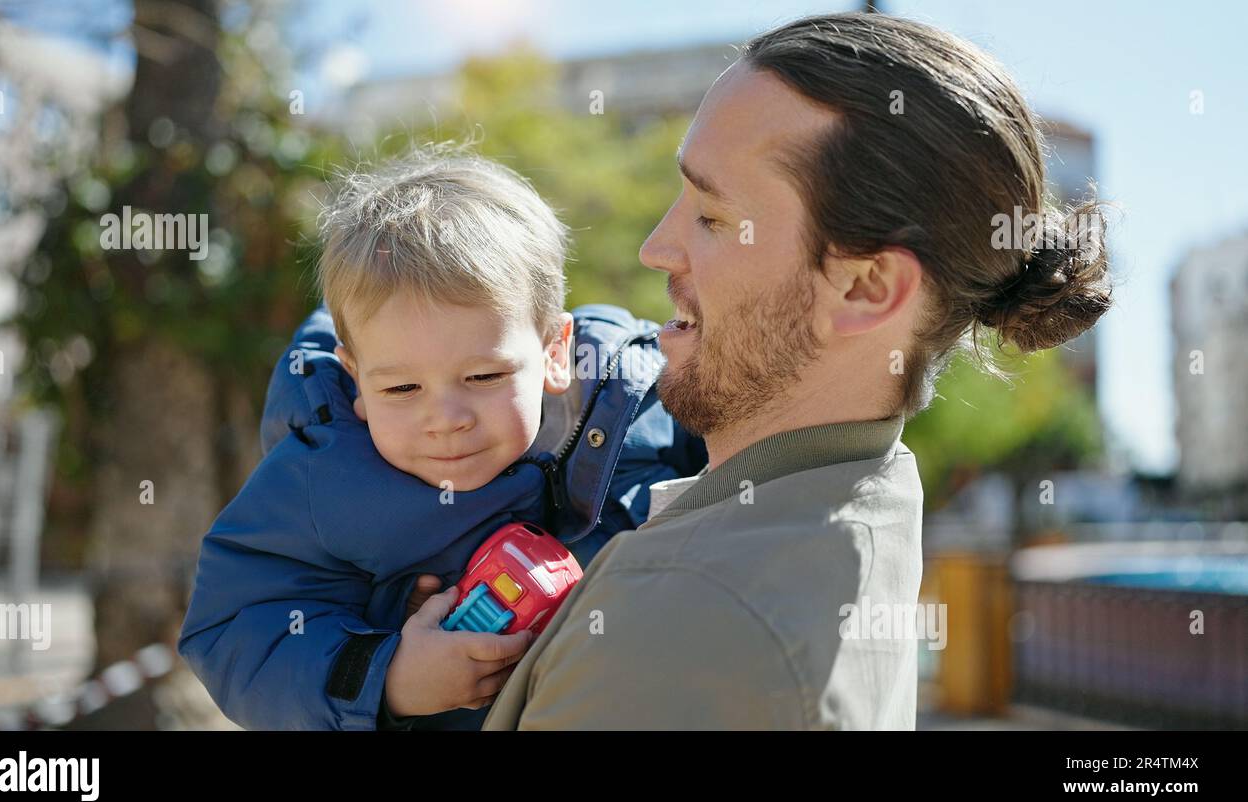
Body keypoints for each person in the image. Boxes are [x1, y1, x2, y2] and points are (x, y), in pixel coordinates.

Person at [482, 12, 1113, 730]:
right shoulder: (873, 491)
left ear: (867, 288)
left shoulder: (682, 624)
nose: (656, 249)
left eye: (713, 217)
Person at [177, 149, 705, 730]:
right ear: (356, 379)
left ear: (555, 352)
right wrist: (388, 676)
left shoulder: (639, 403)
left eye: (483, 377)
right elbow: (234, 629)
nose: (446, 418)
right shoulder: (325, 480)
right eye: (402, 387)